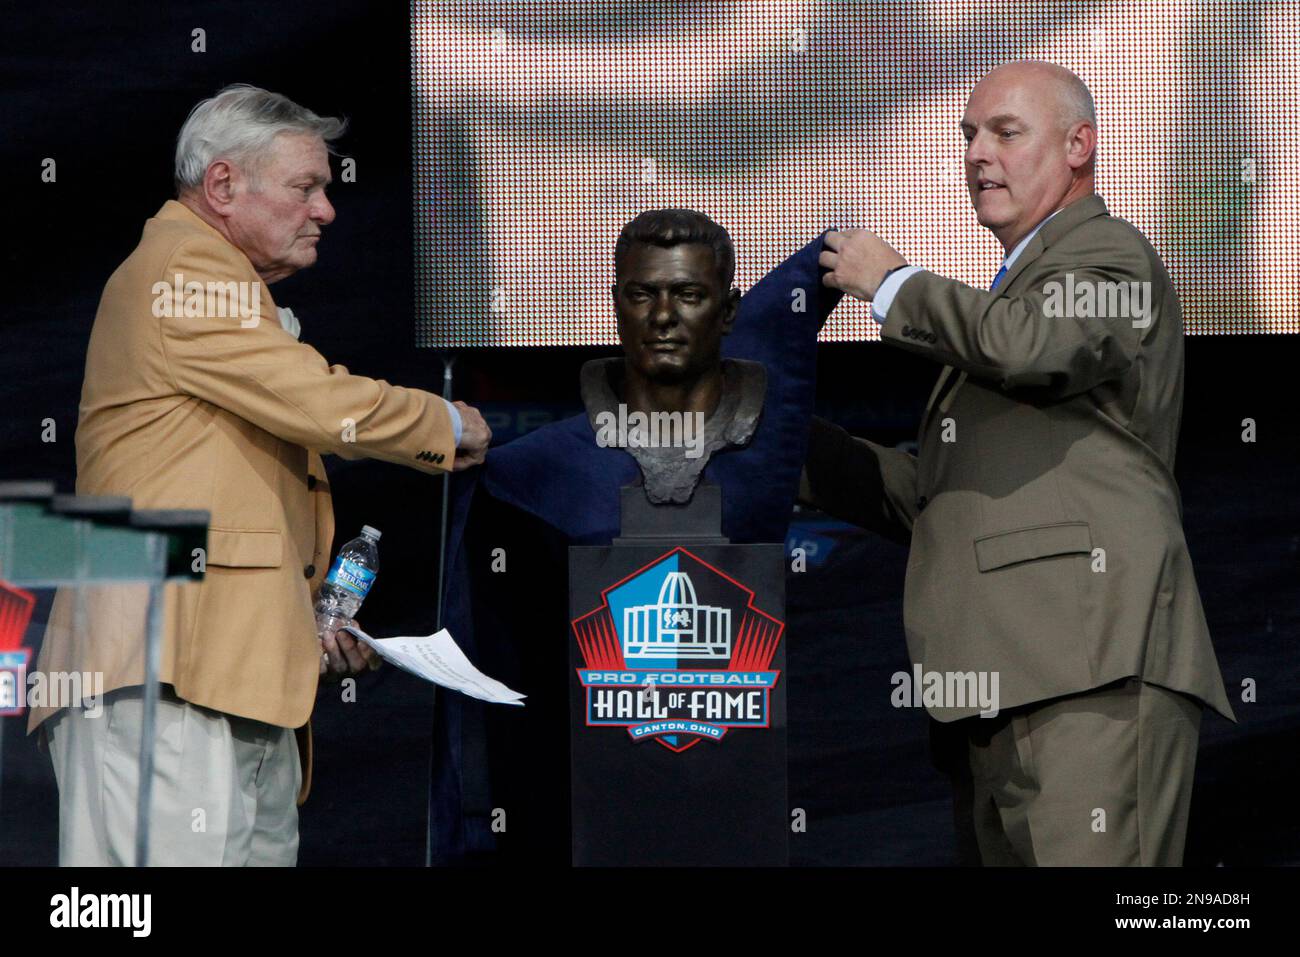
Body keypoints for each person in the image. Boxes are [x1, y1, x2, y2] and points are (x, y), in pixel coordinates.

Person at [30, 84, 491, 866]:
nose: (326, 210)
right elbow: (315, 401)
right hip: (161, 679)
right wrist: (445, 424)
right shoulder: (181, 270)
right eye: (306, 187)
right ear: (223, 186)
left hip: (221, 681)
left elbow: (233, 500)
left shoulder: (220, 288)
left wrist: (303, 622)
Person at [807, 61, 1234, 866]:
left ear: (1080, 146)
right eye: (968, 134)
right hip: (997, 690)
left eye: (1006, 131)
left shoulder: (1111, 256)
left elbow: (1034, 345)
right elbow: (932, 498)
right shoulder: (1010, 298)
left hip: (1088, 675)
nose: (977, 153)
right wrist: (782, 435)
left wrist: (892, 284)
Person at [433, 209, 841, 862]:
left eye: (689, 294)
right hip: (589, 807)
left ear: (728, 310)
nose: (663, 315)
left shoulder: (768, 449)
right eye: (642, 293)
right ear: (615, 303)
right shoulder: (538, 470)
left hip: (741, 803)